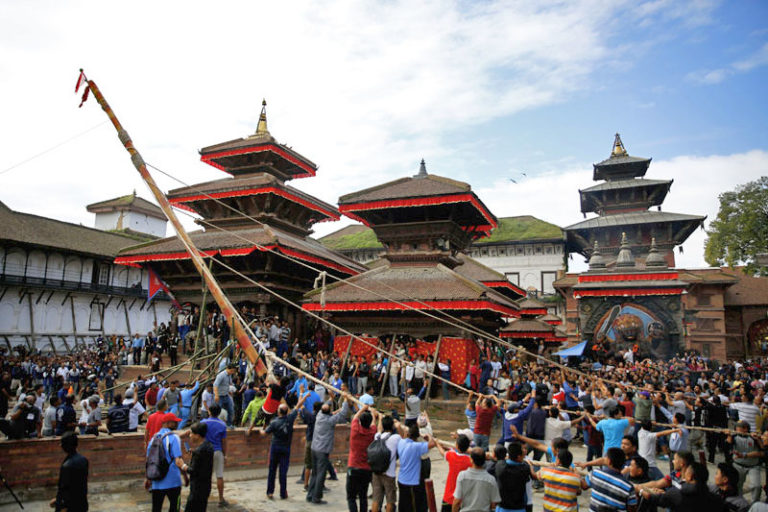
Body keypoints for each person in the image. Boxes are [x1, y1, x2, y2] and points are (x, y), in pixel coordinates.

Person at [255, 392, 308, 500]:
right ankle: (283, 493)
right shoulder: (290, 418)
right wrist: (304, 396)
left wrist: (260, 431)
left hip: (275, 447)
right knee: (283, 472)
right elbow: (298, 405)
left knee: (272, 470)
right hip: (286, 448)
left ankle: (270, 492)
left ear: (278, 412)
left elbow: (264, 433)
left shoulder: (274, 422)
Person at [307, 392, 351, 505]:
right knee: (321, 474)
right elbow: (343, 413)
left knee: (315, 473)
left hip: (314, 448)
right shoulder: (329, 421)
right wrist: (346, 400)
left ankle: (310, 495)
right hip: (322, 450)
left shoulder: (319, 416)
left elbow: (326, 407)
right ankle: (316, 497)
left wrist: (331, 399)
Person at [638, 461, 724, 512]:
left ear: (690, 477)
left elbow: (652, 498)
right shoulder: (716, 499)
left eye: (686, 472)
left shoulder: (676, 494)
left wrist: (640, 490)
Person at [145, 412, 187, 512]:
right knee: (175, 507)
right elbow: (178, 460)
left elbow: (149, 460)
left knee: (156, 508)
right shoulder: (174, 438)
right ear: (168, 423)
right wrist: (185, 476)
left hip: (157, 479)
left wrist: (147, 478)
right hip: (173, 481)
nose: (176, 424)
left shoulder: (154, 438)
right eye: (174, 422)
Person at [582, 447, 637, 512]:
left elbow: (584, 486)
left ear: (609, 461)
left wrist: (576, 475)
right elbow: (632, 509)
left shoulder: (595, 473)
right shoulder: (628, 487)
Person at [397, 422, 436, 512]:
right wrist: (428, 436)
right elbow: (432, 443)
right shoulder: (416, 446)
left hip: (401, 480)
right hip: (411, 482)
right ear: (417, 437)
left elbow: (400, 429)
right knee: (413, 506)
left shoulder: (401, 442)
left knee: (403, 504)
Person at [347, 404, 378, 512]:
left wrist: (363, 409)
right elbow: (374, 423)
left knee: (351, 497)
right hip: (366, 469)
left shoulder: (355, 430)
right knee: (363, 496)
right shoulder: (372, 433)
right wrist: (373, 414)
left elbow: (355, 417)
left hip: (353, 467)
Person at [452, 446, 501, 512]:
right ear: (484, 460)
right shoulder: (491, 479)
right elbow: (494, 503)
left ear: (471, 460)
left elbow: (456, 501)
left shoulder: (462, 476)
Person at [50, 432, 88, 512]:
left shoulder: (67, 466)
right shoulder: (84, 460)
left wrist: (60, 505)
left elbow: (64, 490)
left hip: (70, 506)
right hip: (82, 503)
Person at [371, 415, 402, 512]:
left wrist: (380, 418)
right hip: (389, 473)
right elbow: (404, 437)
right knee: (390, 499)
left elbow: (379, 429)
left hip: (376, 471)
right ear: (392, 426)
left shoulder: (377, 436)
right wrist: (398, 426)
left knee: (376, 498)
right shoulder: (395, 438)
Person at [434, 433, 472, 512]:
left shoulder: (452, 455)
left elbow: (443, 452)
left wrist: (437, 444)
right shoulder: (470, 461)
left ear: (457, 446)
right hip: (463, 499)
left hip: (449, 497)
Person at [728, 420, 763, 503]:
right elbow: (728, 445)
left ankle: (755, 504)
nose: (736, 428)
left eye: (738, 427)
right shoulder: (734, 436)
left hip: (753, 466)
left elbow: (762, 450)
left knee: (757, 486)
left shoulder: (753, 437)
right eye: (736, 427)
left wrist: (758, 439)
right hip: (738, 465)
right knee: (737, 485)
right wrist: (728, 435)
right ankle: (739, 502)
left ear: (746, 429)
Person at [182, 422, 214, 512]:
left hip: (197, 488)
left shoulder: (199, 451)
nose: (190, 436)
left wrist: (183, 465)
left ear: (197, 436)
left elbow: (193, 470)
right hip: (206, 486)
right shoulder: (208, 446)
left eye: (192, 433)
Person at [201, 404, 228, 507]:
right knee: (219, 475)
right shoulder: (222, 425)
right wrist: (225, 455)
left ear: (209, 411)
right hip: (217, 451)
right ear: (219, 412)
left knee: (205, 476)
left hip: (205, 451)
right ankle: (221, 499)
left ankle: (203, 498)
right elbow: (224, 442)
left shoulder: (203, 422)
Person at [494, 441, 531, 512]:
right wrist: (529, 464)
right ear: (519, 457)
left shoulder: (500, 466)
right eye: (523, 452)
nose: (524, 453)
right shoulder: (524, 469)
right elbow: (526, 466)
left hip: (502, 508)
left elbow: (501, 460)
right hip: (518, 509)